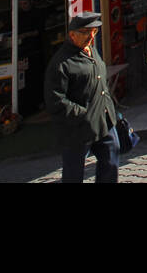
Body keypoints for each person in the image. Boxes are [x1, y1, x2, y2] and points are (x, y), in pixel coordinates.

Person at [44, 12, 119, 183]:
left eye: (94, 32)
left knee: (111, 159)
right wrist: (82, 114)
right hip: (78, 128)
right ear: (72, 34)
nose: (91, 37)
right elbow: (55, 100)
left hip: (103, 120)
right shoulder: (61, 63)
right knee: (74, 171)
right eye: (86, 32)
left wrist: (109, 109)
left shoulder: (91, 51)